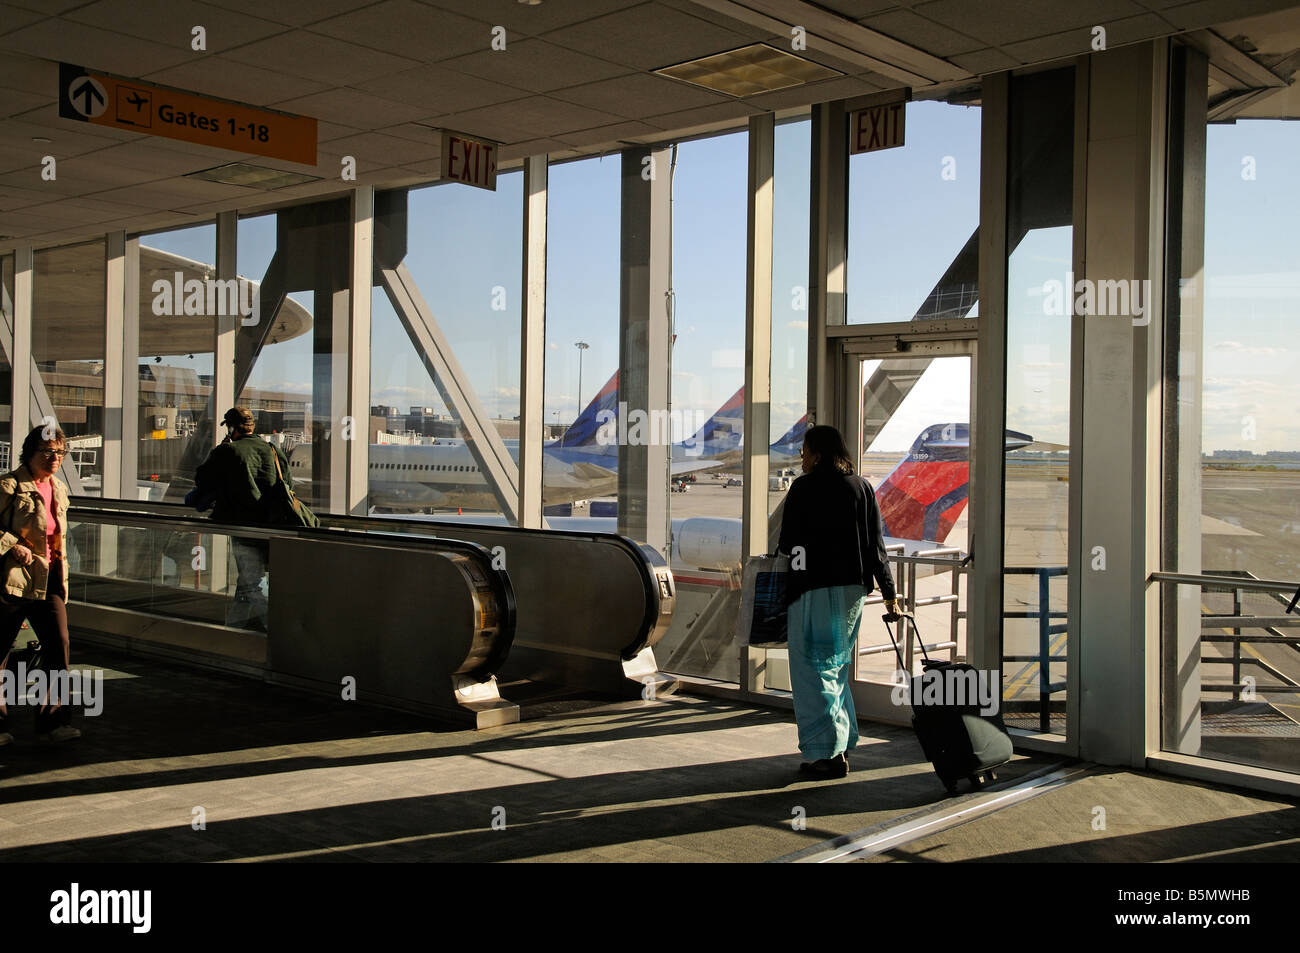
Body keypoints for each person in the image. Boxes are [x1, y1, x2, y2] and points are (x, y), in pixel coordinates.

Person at [778, 424, 899, 779]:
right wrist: (889, 594)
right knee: (836, 666)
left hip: (813, 588)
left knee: (812, 669)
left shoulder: (804, 488)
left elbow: (788, 544)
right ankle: (842, 741)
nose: (801, 457)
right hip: (851, 592)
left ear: (817, 454)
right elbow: (876, 548)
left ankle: (827, 753)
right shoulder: (862, 488)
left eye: (804, 450)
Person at [0, 425, 79, 743]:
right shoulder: (10, 486)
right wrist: (12, 544)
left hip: (50, 580)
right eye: (47, 452)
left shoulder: (58, 488)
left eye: (60, 452)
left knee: (59, 645)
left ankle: (53, 721)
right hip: (15, 581)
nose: (54, 458)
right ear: (30, 453)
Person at [193, 408, 289, 631]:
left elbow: (202, 479)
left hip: (243, 527)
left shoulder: (229, 451)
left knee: (253, 582)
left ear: (232, 428)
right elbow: (287, 485)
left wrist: (220, 449)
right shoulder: (271, 449)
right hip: (270, 525)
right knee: (247, 579)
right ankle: (234, 627)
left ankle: (278, 629)